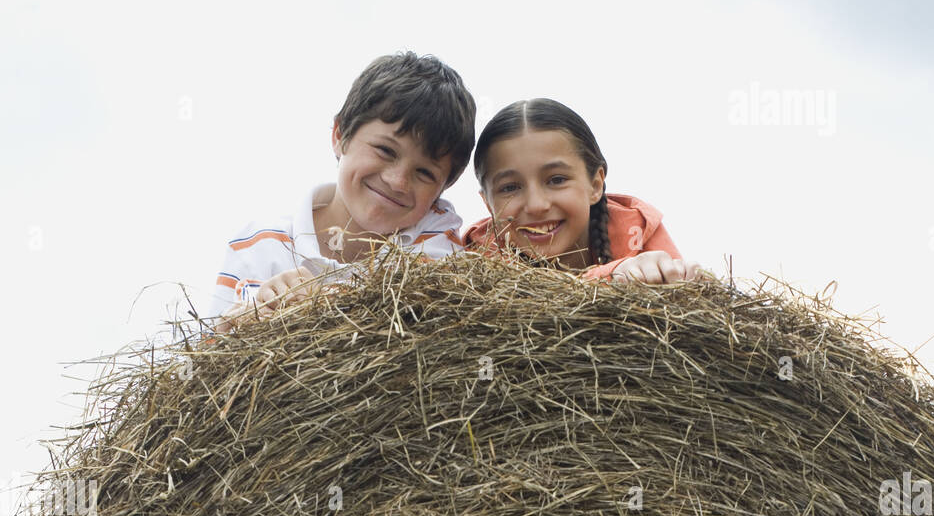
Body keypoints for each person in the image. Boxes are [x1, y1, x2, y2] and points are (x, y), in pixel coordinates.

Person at [208, 52, 475, 327]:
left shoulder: (435, 235)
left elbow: (427, 314)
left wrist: (318, 300)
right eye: (385, 150)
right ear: (339, 135)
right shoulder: (257, 247)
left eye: (424, 173)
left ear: (445, 186)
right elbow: (209, 353)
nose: (398, 181)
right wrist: (235, 325)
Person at [463, 99, 703, 285]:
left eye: (556, 180)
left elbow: (684, 302)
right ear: (487, 204)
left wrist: (678, 277)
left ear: (596, 185)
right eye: (510, 188)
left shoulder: (636, 229)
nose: (536, 205)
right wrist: (611, 275)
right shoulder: (479, 255)